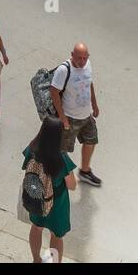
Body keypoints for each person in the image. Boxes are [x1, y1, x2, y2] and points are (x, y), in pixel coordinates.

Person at [22, 117, 77, 264]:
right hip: (57, 203)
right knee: (56, 235)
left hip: (36, 196)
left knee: (36, 227)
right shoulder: (62, 158)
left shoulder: (32, 148)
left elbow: (26, 166)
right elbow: (72, 185)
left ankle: (36, 260)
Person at [48, 42, 101, 187]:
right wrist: (63, 117)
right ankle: (59, 177)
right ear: (72, 55)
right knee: (62, 150)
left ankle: (84, 171)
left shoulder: (88, 65)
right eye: (79, 58)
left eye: (85, 58)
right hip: (70, 117)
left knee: (91, 140)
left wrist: (94, 104)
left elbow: (89, 83)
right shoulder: (63, 70)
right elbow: (54, 92)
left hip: (86, 115)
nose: (82, 61)